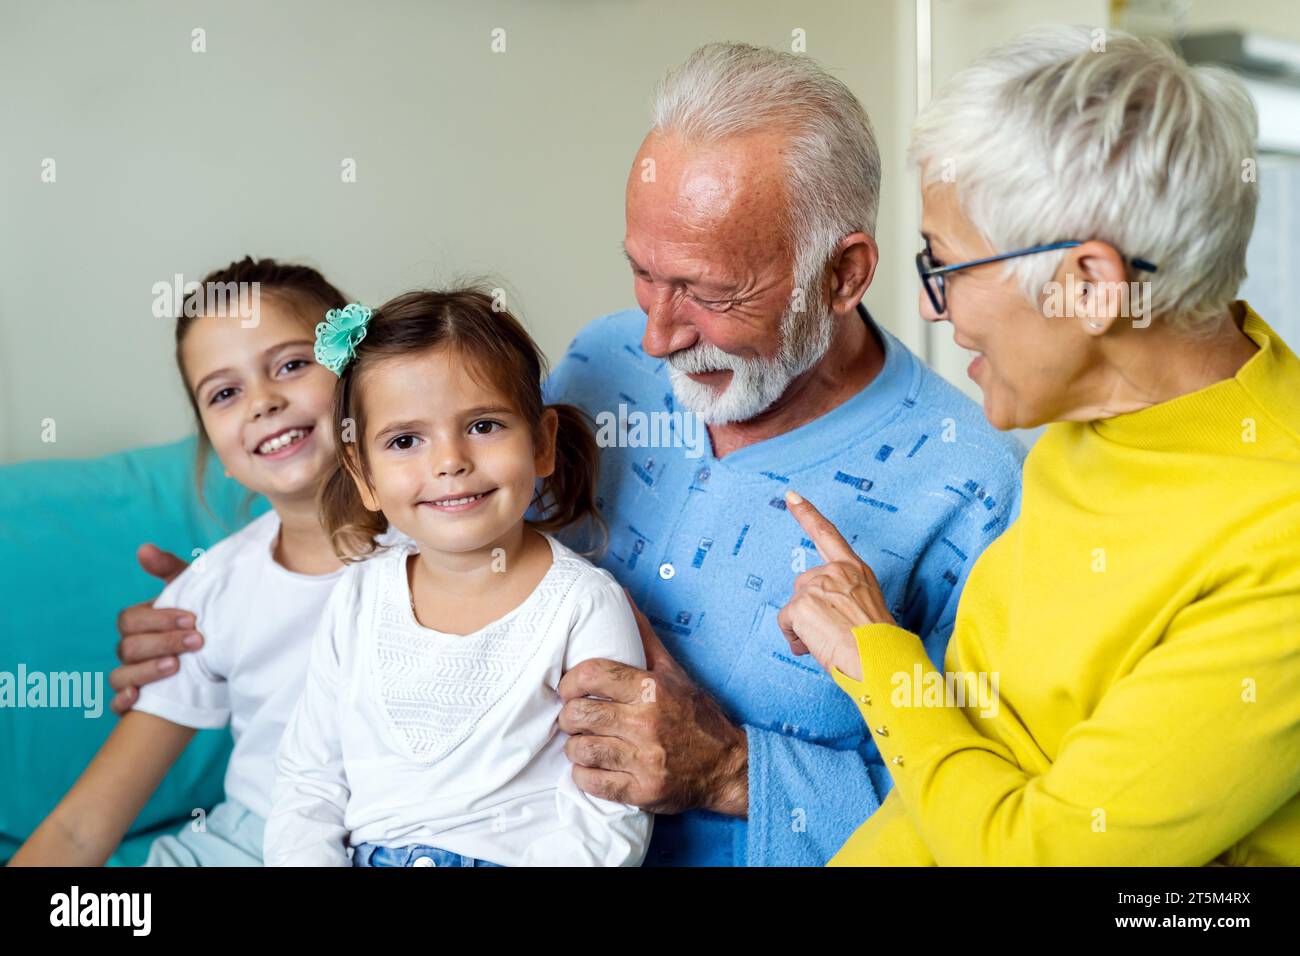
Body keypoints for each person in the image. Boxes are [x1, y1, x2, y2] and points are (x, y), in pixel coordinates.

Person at [111, 43, 1026, 866]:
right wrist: (232, 597)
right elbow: (440, 498)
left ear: (844, 273)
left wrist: (735, 773)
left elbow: (1007, 822)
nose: (659, 336)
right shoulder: (603, 360)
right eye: (643, 272)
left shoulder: (972, 487)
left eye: (707, 292)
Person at [778, 26, 1300, 865]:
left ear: (1090, 286)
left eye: (945, 265)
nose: (930, 309)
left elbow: (1041, 855)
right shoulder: (1099, 418)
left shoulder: (1281, 548)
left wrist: (880, 660)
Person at [264, 289, 651, 867]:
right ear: (364, 475)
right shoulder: (360, 596)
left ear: (543, 443)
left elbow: (608, 809)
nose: (450, 461)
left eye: (484, 425)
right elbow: (310, 781)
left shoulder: (584, 604)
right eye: (404, 441)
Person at [11, 258, 351, 865]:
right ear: (214, 447)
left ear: (363, 374)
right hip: (247, 845)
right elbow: (81, 829)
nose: (264, 401)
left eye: (293, 364)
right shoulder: (209, 592)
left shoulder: (457, 543)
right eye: (224, 393)